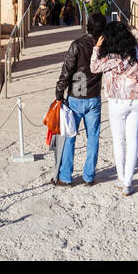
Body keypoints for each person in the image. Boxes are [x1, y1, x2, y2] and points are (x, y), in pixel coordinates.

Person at [90, 21, 138, 196]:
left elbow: (94, 67)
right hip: (136, 100)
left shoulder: (113, 57)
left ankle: (121, 177)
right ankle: (128, 182)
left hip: (117, 101)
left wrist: (96, 48)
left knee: (118, 140)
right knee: (133, 141)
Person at [51, 12, 106, 187]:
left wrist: (59, 92)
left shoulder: (77, 45)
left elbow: (67, 70)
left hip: (76, 96)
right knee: (93, 138)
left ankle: (66, 176)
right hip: (94, 97)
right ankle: (89, 176)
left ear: (87, 25)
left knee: (69, 137)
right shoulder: (105, 47)